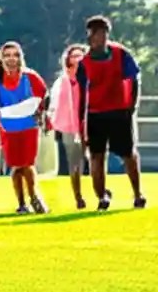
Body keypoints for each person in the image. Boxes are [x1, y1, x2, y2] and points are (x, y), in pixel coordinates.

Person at [75, 16, 145, 210]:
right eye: (92, 34)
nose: (94, 38)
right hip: (95, 114)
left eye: (99, 33)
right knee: (96, 156)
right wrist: (82, 121)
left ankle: (138, 194)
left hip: (119, 112)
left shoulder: (121, 55)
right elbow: (81, 94)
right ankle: (101, 196)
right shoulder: (84, 63)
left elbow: (134, 79)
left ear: (106, 34)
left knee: (128, 154)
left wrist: (131, 106)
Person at [0, 42, 50, 214]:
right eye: (7, 55)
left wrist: (40, 112)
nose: (11, 59)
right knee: (16, 165)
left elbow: (45, 95)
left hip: (29, 126)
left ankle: (34, 197)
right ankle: (21, 203)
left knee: (27, 163)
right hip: (8, 128)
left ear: (20, 58)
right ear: (1, 59)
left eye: (15, 55)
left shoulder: (30, 76)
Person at [47, 44, 88, 209]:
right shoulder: (62, 81)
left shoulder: (90, 78)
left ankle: (100, 190)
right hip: (68, 126)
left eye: (80, 55)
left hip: (89, 123)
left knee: (94, 158)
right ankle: (78, 196)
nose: (77, 58)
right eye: (74, 55)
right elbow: (54, 103)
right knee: (74, 161)